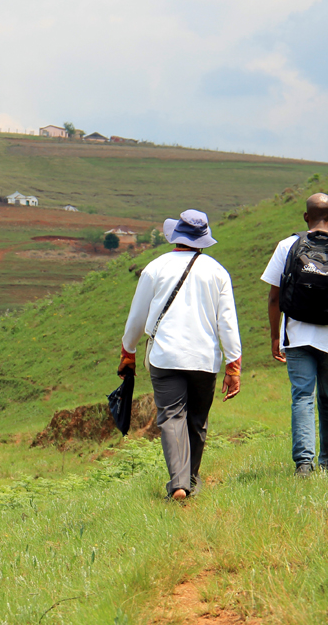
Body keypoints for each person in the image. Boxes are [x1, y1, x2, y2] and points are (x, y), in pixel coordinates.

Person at [120, 210, 242, 501]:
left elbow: (137, 317)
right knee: (197, 420)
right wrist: (233, 365)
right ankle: (190, 479)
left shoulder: (155, 267)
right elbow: (227, 321)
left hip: (166, 356)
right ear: (203, 240)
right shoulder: (217, 271)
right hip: (204, 358)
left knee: (172, 418)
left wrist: (129, 351)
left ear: (175, 236)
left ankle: (178, 484)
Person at [261, 193, 328, 477]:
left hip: (297, 336)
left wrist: (275, 336)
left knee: (302, 397)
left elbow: (274, 298)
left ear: (306, 217)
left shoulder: (288, 245)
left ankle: (304, 464)